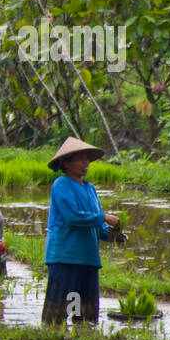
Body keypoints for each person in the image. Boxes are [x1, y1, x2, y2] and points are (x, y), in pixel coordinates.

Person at [41, 137, 126, 327]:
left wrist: (112, 235)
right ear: (67, 163)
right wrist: (104, 217)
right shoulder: (61, 185)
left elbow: (96, 226)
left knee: (84, 316)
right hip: (66, 257)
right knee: (57, 314)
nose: (86, 163)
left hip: (88, 259)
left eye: (87, 159)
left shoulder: (90, 189)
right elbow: (73, 217)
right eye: (81, 159)